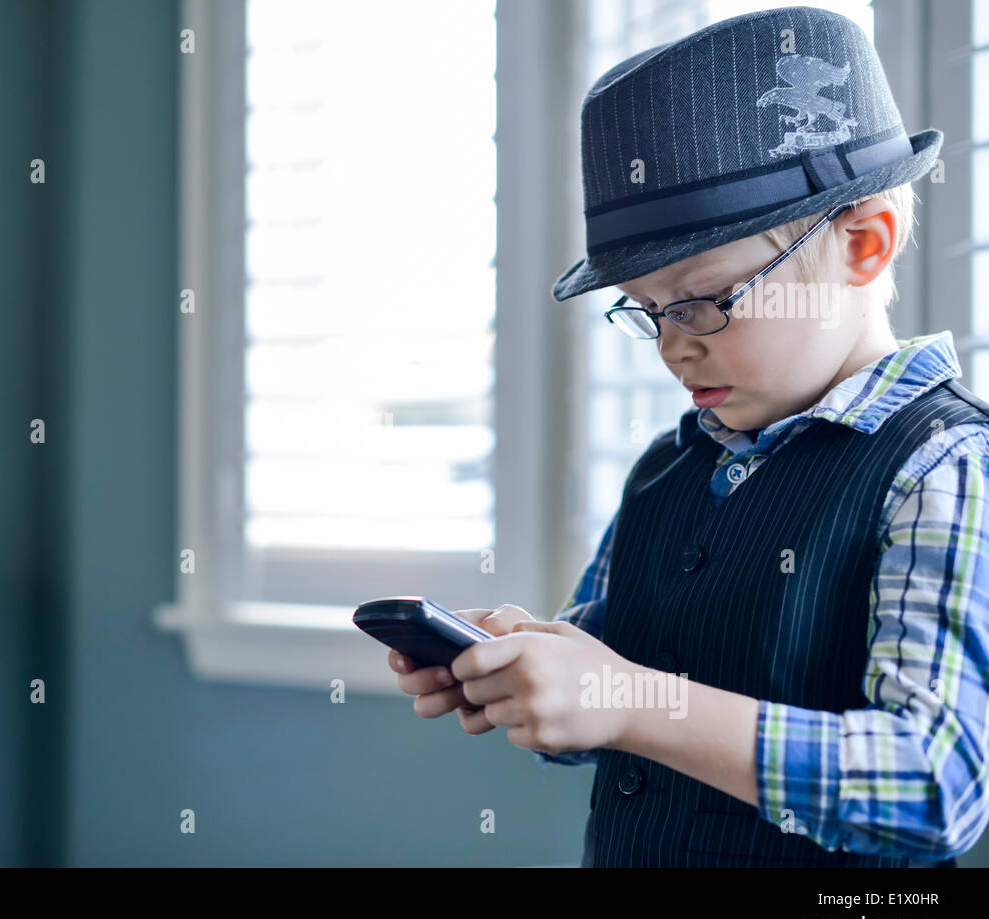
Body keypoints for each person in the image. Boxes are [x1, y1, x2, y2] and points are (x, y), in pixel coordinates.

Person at [390, 5, 989, 867]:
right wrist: (531, 667)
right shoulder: (667, 468)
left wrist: (633, 702)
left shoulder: (942, 466)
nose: (675, 344)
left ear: (865, 243)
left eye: (707, 299)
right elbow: (611, 696)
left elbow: (934, 785)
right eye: (647, 310)